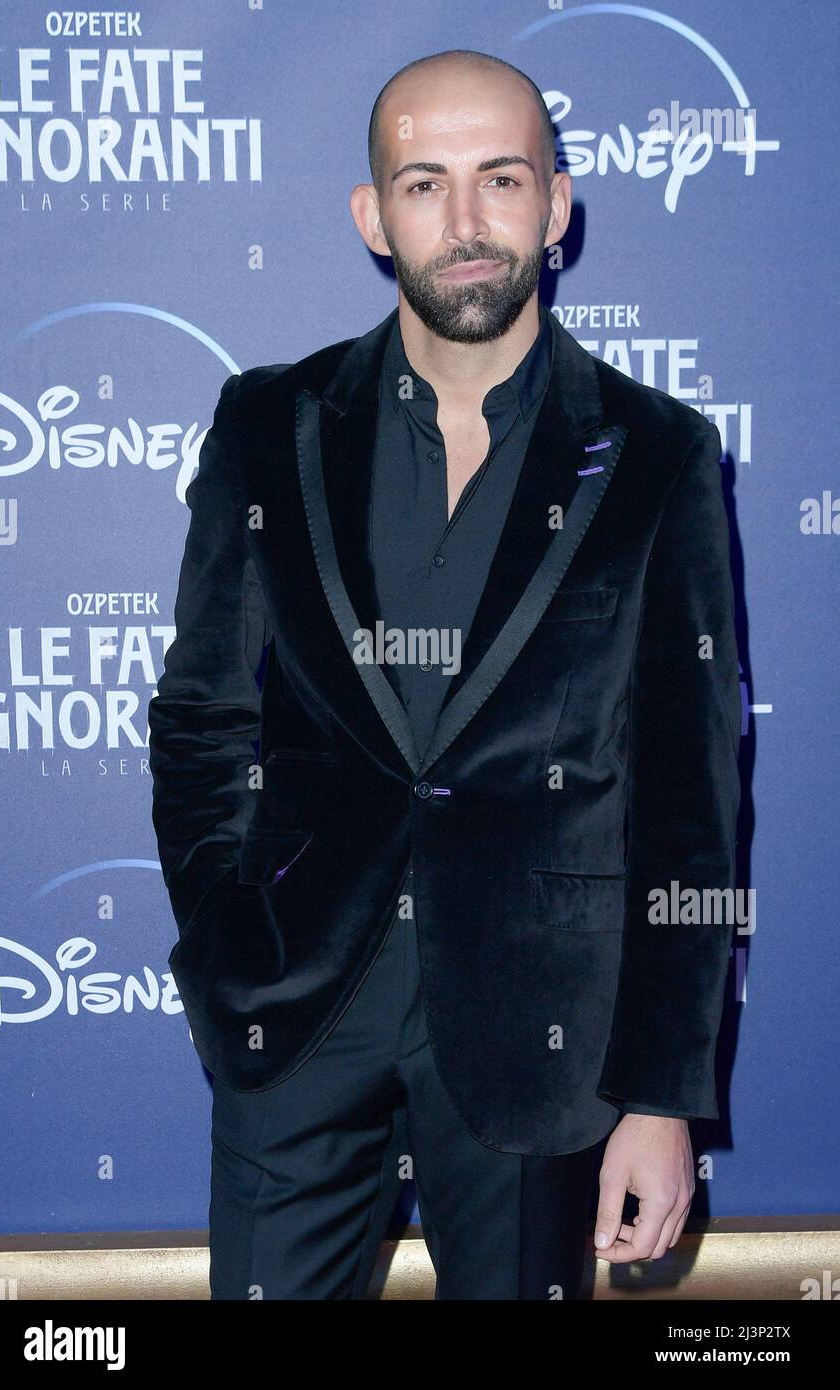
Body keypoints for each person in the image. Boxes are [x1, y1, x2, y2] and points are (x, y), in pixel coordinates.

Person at [148, 48, 741, 1300]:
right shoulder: (267, 425)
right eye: (424, 184)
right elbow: (203, 713)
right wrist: (222, 931)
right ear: (373, 216)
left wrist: (658, 1095)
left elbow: (690, 797)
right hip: (296, 1009)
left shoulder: (657, 456)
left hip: (542, 1035)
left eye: (500, 179)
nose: (465, 224)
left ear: (556, 204)